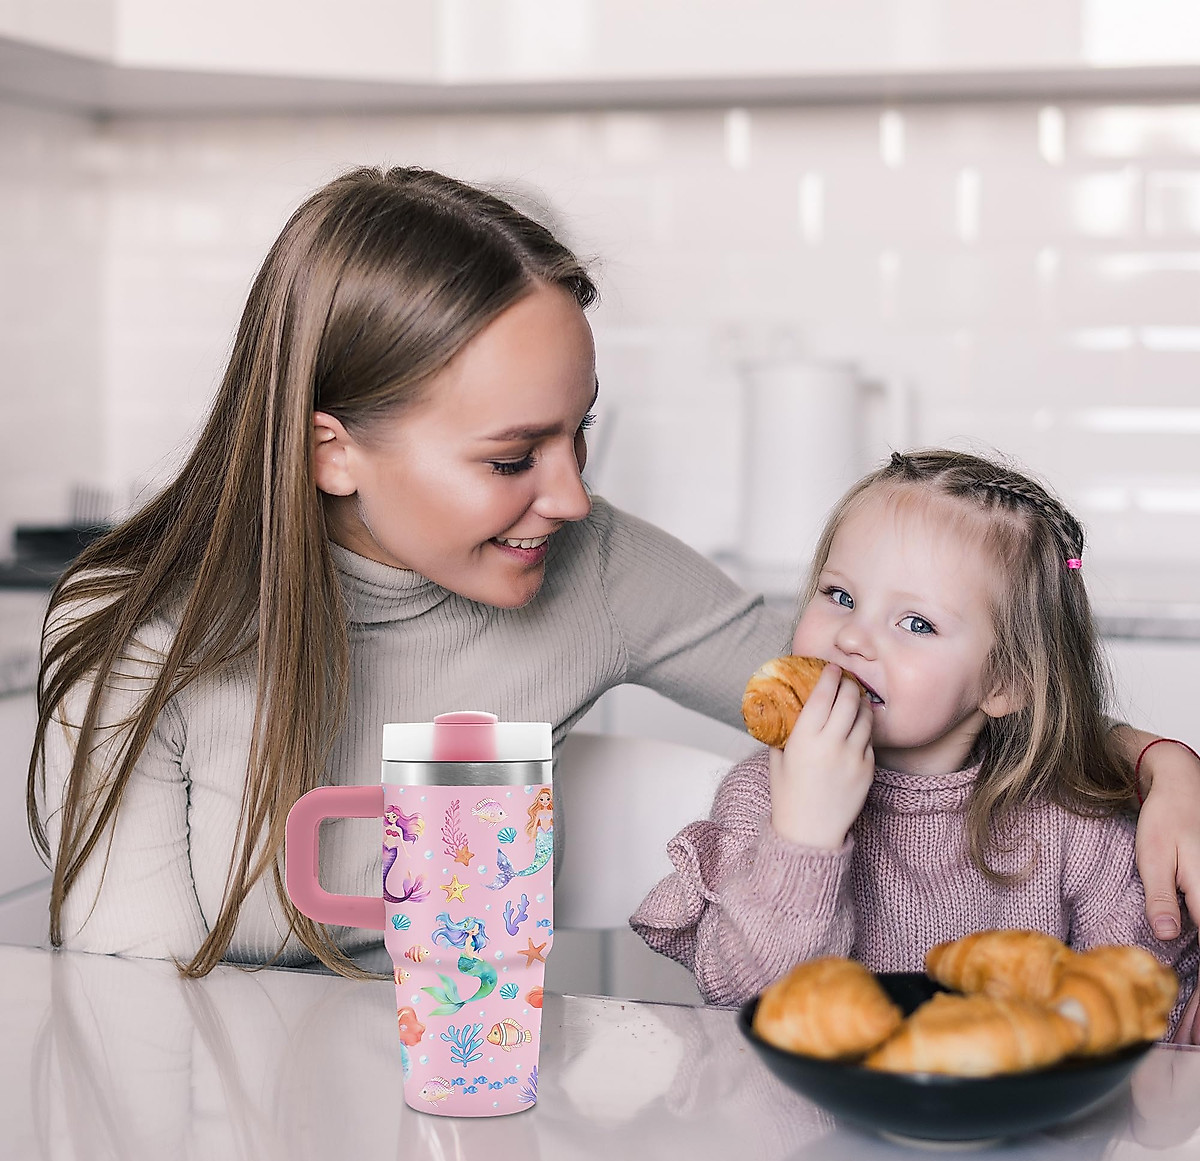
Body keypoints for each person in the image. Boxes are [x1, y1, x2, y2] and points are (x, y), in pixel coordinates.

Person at [25, 167, 1200, 979]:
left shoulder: (596, 567)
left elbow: (872, 689)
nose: (574, 496)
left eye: (581, 433)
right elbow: (134, 1017)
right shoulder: (138, 633)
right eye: (510, 457)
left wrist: (1158, 759)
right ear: (333, 447)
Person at [630, 450, 1199, 1041]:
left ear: (1007, 682)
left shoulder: (1074, 830)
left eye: (916, 624)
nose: (851, 637)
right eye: (839, 596)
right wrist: (803, 836)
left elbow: (1147, 1024)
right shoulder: (762, 795)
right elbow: (748, 1003)